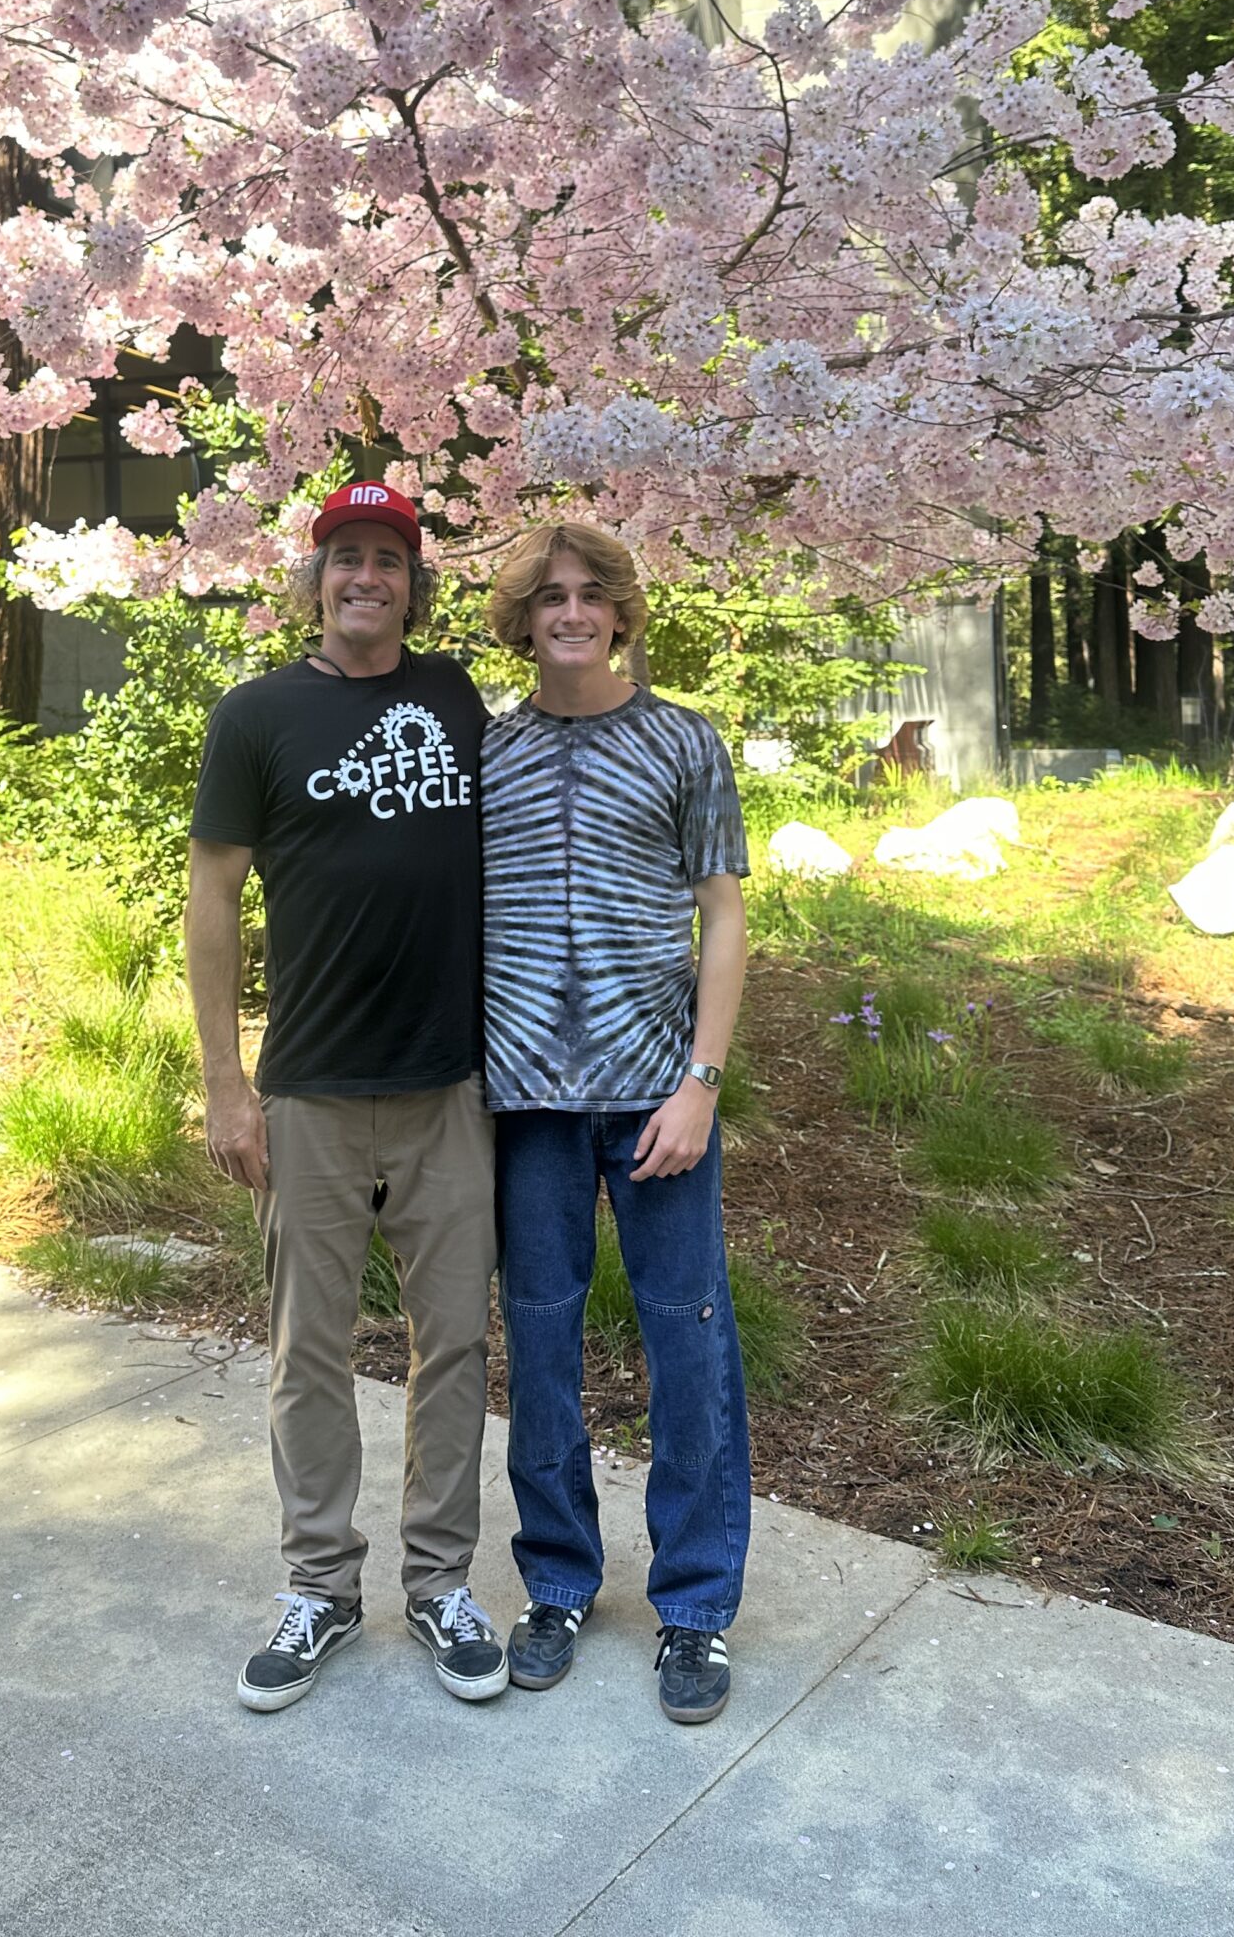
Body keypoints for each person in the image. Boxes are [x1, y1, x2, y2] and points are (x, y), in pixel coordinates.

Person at [184, 480, 507, 1712]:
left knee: (456, 1346)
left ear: (413, 583)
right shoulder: (256, 715)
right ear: (314, 580)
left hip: (449, 1085)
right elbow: (213, 900)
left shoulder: (460, 701)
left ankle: (439, 1584)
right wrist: (228, 1082)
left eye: (387, 557)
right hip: (310, 1088)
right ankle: (319, 1582)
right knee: (307, 1350)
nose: (365, 575)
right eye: (344, 557)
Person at [480, 521, 751, 1724]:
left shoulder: (685, 742)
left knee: (688, 1342)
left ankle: (694, 1609)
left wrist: (702, 1078)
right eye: (551, 597)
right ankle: (556, 1581)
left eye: (592, 594)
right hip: (527, 1101)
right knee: (539, 1349)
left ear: (623, 611)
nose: (572, 612)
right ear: (523, 618)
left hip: (657, 1099)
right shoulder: (487, 754)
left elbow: (725, 919)